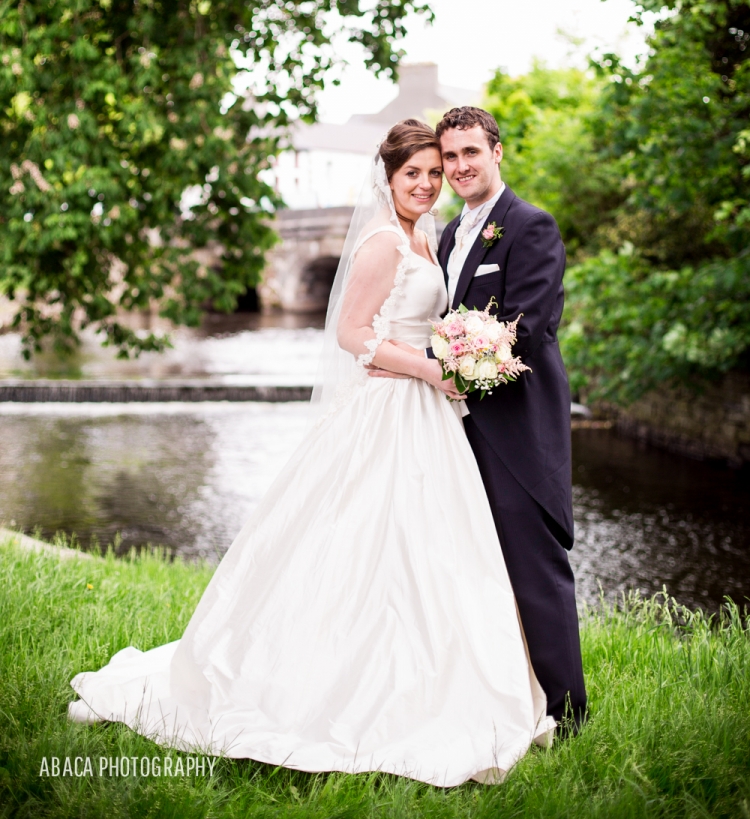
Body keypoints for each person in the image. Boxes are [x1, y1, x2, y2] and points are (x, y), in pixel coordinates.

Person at [68, 119, 555, 787]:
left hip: (429, 418)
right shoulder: (384, 242)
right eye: (412, 172)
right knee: (356, 545)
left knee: (437, 550)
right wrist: (428, 366)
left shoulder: (431, 238)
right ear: (388, 179)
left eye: (433, 172)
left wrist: (458, 353)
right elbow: (351, 334)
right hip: (389, 409)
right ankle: (328, 685)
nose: (425, 182)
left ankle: (444, 678)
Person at [426, 106, 587, 729]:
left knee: (534, 568)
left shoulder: (531, 226)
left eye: (471, 152)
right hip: (456, 428)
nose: (460, 167)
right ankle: (499, 702)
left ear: (497, 152)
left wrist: (432, 368)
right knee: (471, 567)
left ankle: (569, 714)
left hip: (518, 432)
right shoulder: (449, 233)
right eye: (450, 158)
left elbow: (525, 331)